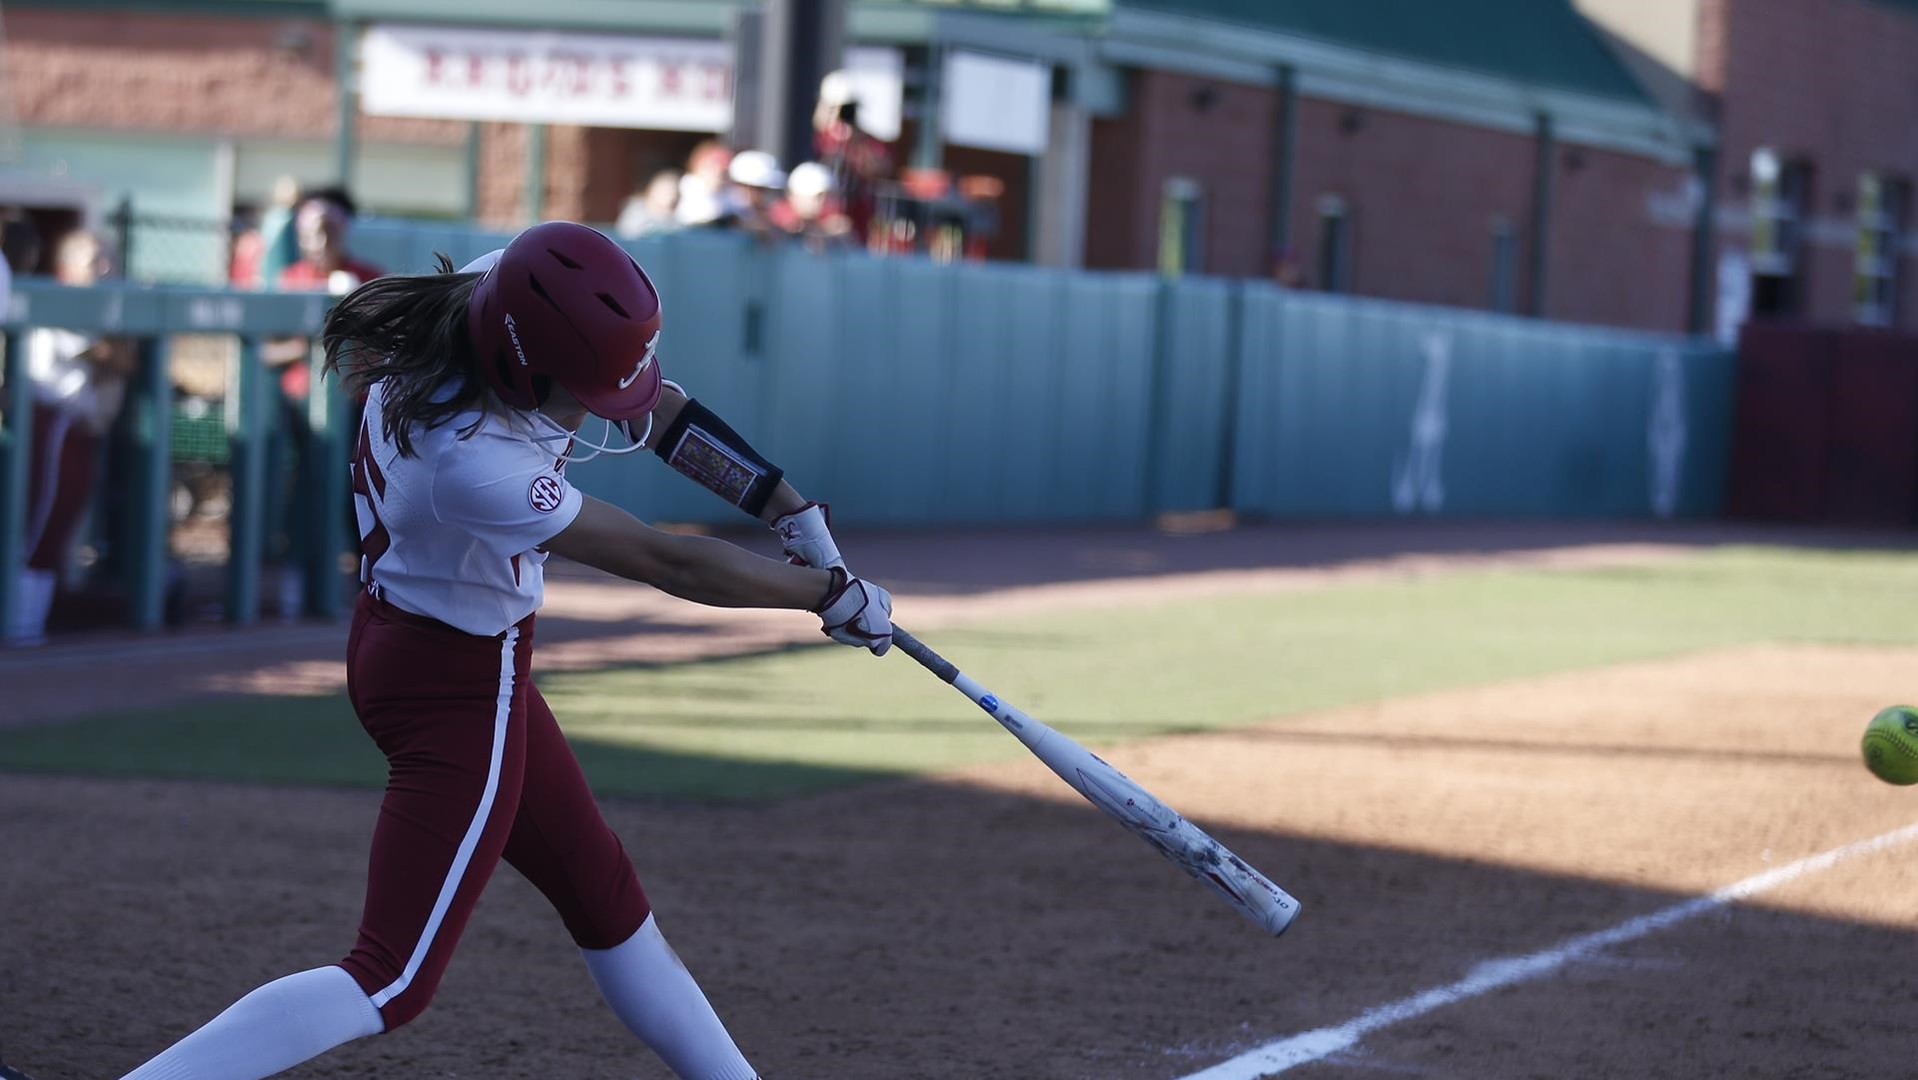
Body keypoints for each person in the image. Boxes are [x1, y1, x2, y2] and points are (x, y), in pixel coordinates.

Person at [111, 221, 893, 1080]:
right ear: (527, 369)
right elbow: (661, 558)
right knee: (389, 981)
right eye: (582, 391)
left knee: (608, 901)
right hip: (454, 683)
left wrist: (788, 509)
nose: (602, 407)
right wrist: (829, 597)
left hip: (437, 649)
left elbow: (656, 406)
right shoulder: (470, 462)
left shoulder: (499, 295)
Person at [6, 230, 131, 646]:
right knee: (39, 519)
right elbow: (92, 355)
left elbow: (122, 358)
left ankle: (29, 624)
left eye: (108, 259)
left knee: (61, 521)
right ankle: (19, 624)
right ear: (67, 267)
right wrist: (106, 353)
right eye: (94, 260)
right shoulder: (52, 301)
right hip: (48, 420)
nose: (105, 268)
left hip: (78, 426)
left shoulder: (107, 307)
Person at [615, 168, 682, 239]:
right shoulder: (635, 211)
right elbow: (627, 235)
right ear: (652, 190)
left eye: (674, 193)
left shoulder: (675, 215)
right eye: (666, 192)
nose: (672, 197)